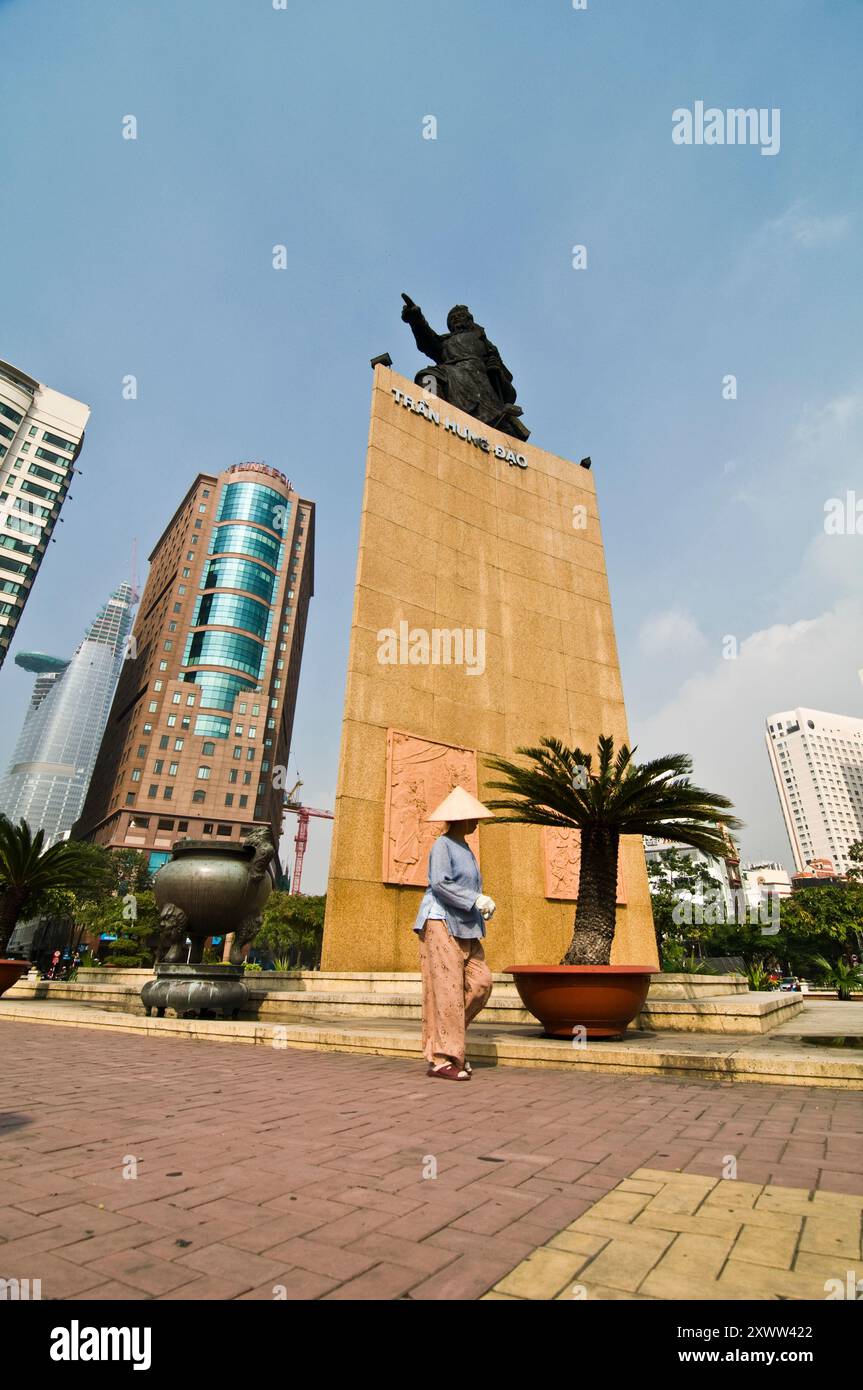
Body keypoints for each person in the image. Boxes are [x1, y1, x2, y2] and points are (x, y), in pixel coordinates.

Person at [413, 786, 496, 1081]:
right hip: (440, 921)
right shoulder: (443, 845)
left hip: (466, 925)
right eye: (472, 817)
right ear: (460, 818)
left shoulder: (466, 849)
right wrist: (474, 899)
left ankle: (448, 1042)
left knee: (481, 983)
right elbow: (439, 883)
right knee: (447, 991)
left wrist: (480, 903)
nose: (476, 822)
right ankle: (442, 1058)